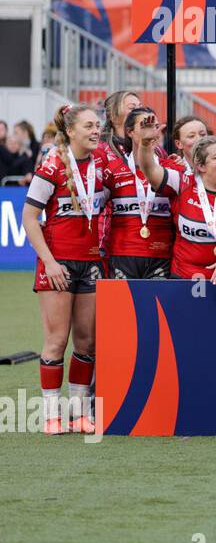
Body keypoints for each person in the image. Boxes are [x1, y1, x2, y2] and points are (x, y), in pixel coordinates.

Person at [22, 104, 107, 435]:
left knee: (86, 343)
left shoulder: (101, 165)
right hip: (57, 263)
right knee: (57, 341)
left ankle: (78, 414)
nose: (95, 130)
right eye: (88, 125)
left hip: (91, 263)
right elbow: (29, 218)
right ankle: (51, 414)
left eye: (97, 125)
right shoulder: (53, 165)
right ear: (70, 131)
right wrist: (49, 261)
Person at [138, 134, 216, 282]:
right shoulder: (183, 183)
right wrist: (144, 144)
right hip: (184, 277)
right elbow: (150, 170)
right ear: (201, 166)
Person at [103, 107, 175, 280]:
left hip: (161, 256)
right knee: (121, 308)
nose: (152, 131)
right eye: (145, 126)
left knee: (157, 309)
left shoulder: (171, 168)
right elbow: (92, 207)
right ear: (130, 132)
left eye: (156, 126)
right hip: (122, 255)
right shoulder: (113, 170)